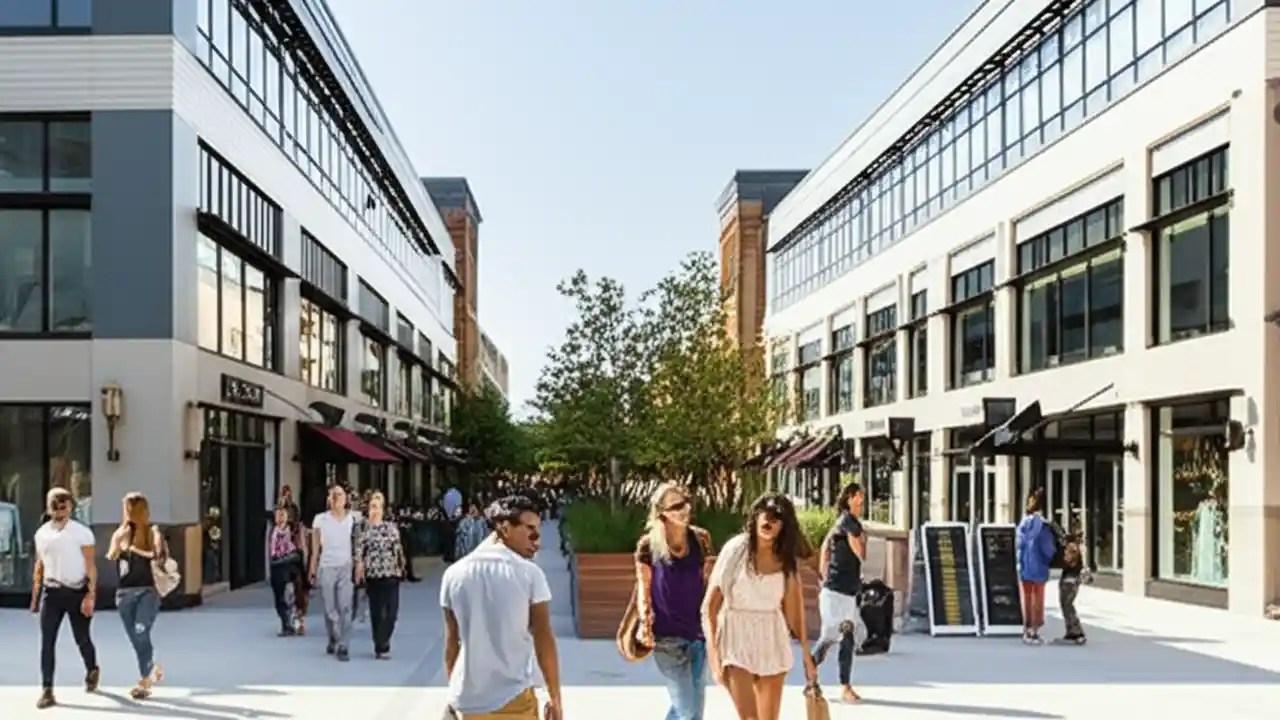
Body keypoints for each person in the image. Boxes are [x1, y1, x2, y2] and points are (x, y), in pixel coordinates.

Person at [441, 495, 562, 719]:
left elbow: (452, 645)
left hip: (466, 702)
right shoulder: (530, 574)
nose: (536, 540)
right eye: (530, 529)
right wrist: (555, 698)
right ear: (505, 529)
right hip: (513, 699)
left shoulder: (453, 575)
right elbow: (544, 638)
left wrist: (453, 694)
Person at [701, 492, 817, 720]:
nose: (770, 521)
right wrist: (714, 658)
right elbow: (709, 607)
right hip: (736, 636)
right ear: (755, 517)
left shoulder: (786, 561)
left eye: (777, 518)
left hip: (771, 636)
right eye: (766, 515)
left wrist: (807, 658)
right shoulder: (735, 550)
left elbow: (794, 613)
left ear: (784, 527)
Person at [635, 482, 714, 720]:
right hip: (666, 639)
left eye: (686, 502)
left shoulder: (701, 539)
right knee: (687, 709)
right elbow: (643, 589)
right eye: (676, 506)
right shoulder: (648, 545)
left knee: (692, 713)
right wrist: (643, 621)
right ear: (662, 513)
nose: (685, 509)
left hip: (699, 637)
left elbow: (709, 584)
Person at [30, 487, 100, 710]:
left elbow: (91, 566)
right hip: (52, 592)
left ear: (71, 506)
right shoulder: (42, 534)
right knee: (47, 642)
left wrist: (90, 595)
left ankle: (92, 668)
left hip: (77, 591)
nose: (60, 510)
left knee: (82, 638)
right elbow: (39, 566)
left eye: (64, 505)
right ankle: (47, 689)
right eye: (55, 506)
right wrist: (35, 595)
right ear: (49, 508)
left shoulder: (82, 533)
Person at [105, 492, 167, 700]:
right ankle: (152, 665)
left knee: (141, 631)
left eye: (132, 509)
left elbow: (157, 556)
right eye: (127, 509)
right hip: (124, 593)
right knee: (137, 640)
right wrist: (117, 550)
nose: (128, 513)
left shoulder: (152, 532)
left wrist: (136, 550)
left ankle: (144, 681)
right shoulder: (120, 533)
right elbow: (111, 554)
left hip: (147, 591)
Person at [812, 482, 865, 703]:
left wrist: (823, 571)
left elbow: (825, 547)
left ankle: (845, 685)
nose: (862, 500)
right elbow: (860, 553)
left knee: (847, 636)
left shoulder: (843, 522)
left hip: (843, 590)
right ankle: (811, 676)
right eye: (859, 496)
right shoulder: (848, 522)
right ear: (850, 498)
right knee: (830, 637)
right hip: (836, 591)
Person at [309, 484, 363, 661]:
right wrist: (312, 567)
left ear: (346, 498)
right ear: (328, 499)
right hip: (326, 566)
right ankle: (333, 636)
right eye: (333, 495)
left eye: (340, 495)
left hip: (345, 567)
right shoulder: (320, 520)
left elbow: (357, 545)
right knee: (329, 607)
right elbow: (315, 548)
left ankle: (343, 645)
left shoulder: (353, 519)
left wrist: (358, 565)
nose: (337, 498)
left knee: (345, 606)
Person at [359, 492, 406, 659]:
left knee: (392, 611)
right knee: (377, 611)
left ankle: (384, 638)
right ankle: (380, 645)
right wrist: (359, 568)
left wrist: (401, 565)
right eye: (372, 507)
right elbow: (359, 552)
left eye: (377, 507)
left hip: (391, 573)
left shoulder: (391, 527)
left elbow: (398, 549)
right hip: (373, 575)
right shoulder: (364, 529)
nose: (375, 511)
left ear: (382, 509)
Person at [1016, 491, 1056, 645]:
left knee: (1027, 596)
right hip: (1039, 566)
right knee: (1038, 597)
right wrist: (1049, 560)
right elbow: (1048, 548)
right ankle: (1035, 628)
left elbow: (1019, 544)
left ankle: (1027, 627)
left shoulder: (1023, 523)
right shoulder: (1043, 526)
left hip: (1025, 566)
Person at [268, 505, 306, 637]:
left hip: (290, 568)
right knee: (279, 598)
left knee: (290, 595)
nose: (279, 518)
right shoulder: (273, 532)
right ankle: (285, 624)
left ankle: (294, 623)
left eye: (282, 515)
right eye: (277, 515)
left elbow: (298, 552)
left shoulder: (293, 531)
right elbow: (271, 551)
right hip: (276, 569)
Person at [1059, 534, 1092, 644]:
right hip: (1073, 580)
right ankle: (1071, 630)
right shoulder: (1075, 547)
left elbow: (1067, 562)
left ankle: (1076, 631)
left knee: (1067, 605)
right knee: (1067, 605)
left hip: (1069, 580)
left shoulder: (1071, 548)